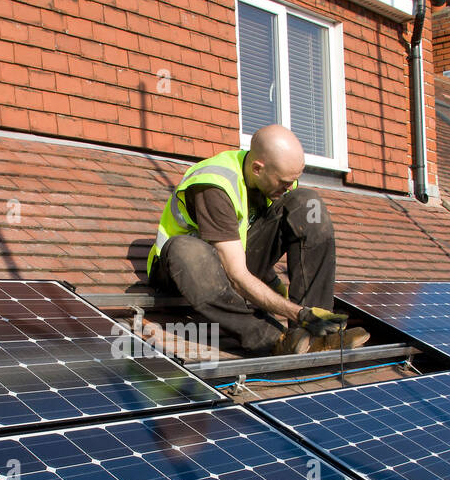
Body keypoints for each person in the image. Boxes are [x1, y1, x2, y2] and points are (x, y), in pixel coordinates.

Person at [146, 124, 368, 356]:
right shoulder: (214, 185)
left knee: (307, 202)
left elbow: (247, 245)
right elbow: (237, 275)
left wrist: (285, 296)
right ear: (257, 168)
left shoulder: (276, 183)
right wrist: (296, 312)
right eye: (283, 182)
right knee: (187, 250)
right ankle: (275, 339)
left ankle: (319, 333)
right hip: (182, 272)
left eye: (292, 180)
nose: (289, 187)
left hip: (229, 258)